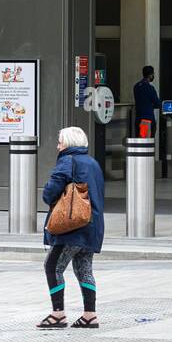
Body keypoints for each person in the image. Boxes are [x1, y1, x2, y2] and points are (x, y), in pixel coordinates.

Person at [37, 126, 106, 330]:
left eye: (60, 142)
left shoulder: (67, 161)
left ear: (67, 143)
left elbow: (50, 192)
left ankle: (58, 314)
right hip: (91, 225)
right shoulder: (93, 163)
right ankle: (89, 315)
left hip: (72, 226)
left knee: (52, 266)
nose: (58, 145)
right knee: (84, 268)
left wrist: (48, 195)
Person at [132, 65, 159, 139]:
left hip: (138, 119)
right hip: (147, 120)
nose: (153, 76)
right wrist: (152, 105)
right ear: (150, 75)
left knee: (140, 142)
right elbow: (157, 103)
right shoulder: (150, 88)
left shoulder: (136, 86)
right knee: (146, 143)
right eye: (153, 74)